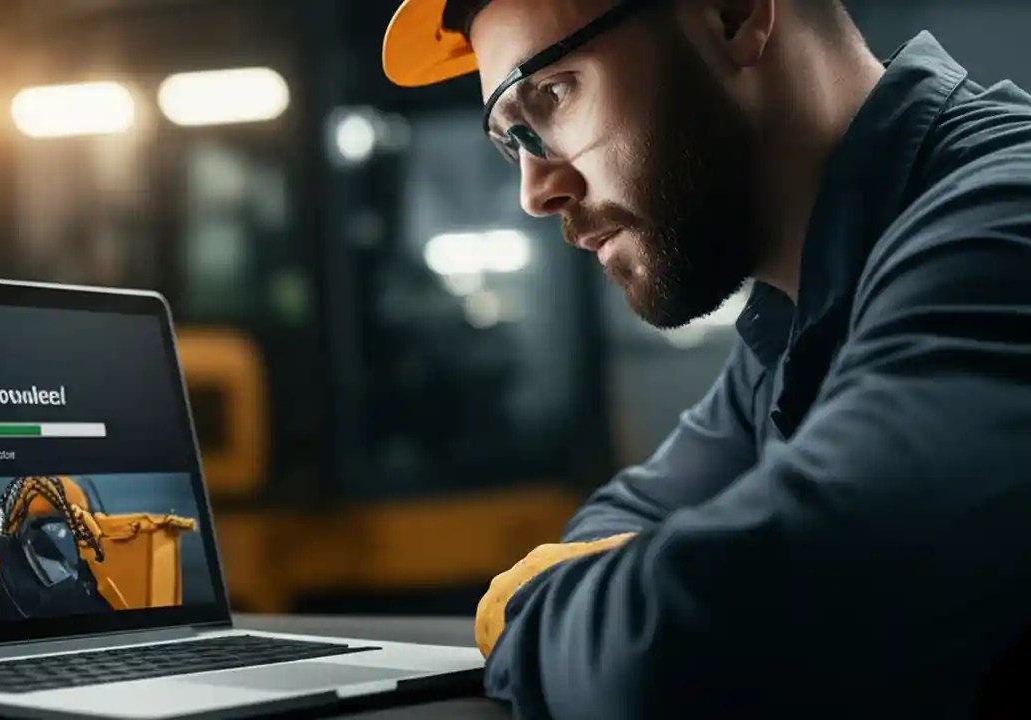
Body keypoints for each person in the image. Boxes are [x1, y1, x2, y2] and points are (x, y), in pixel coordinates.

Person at [382, 0, 1031, 716]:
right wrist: (626, 591)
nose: (536, 192)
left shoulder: (1005, 229)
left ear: (732, 15)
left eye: (555, 93)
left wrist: (546, 608)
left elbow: (685, 648)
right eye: (513, 138)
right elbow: (627, 519)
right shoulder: (801, 311)